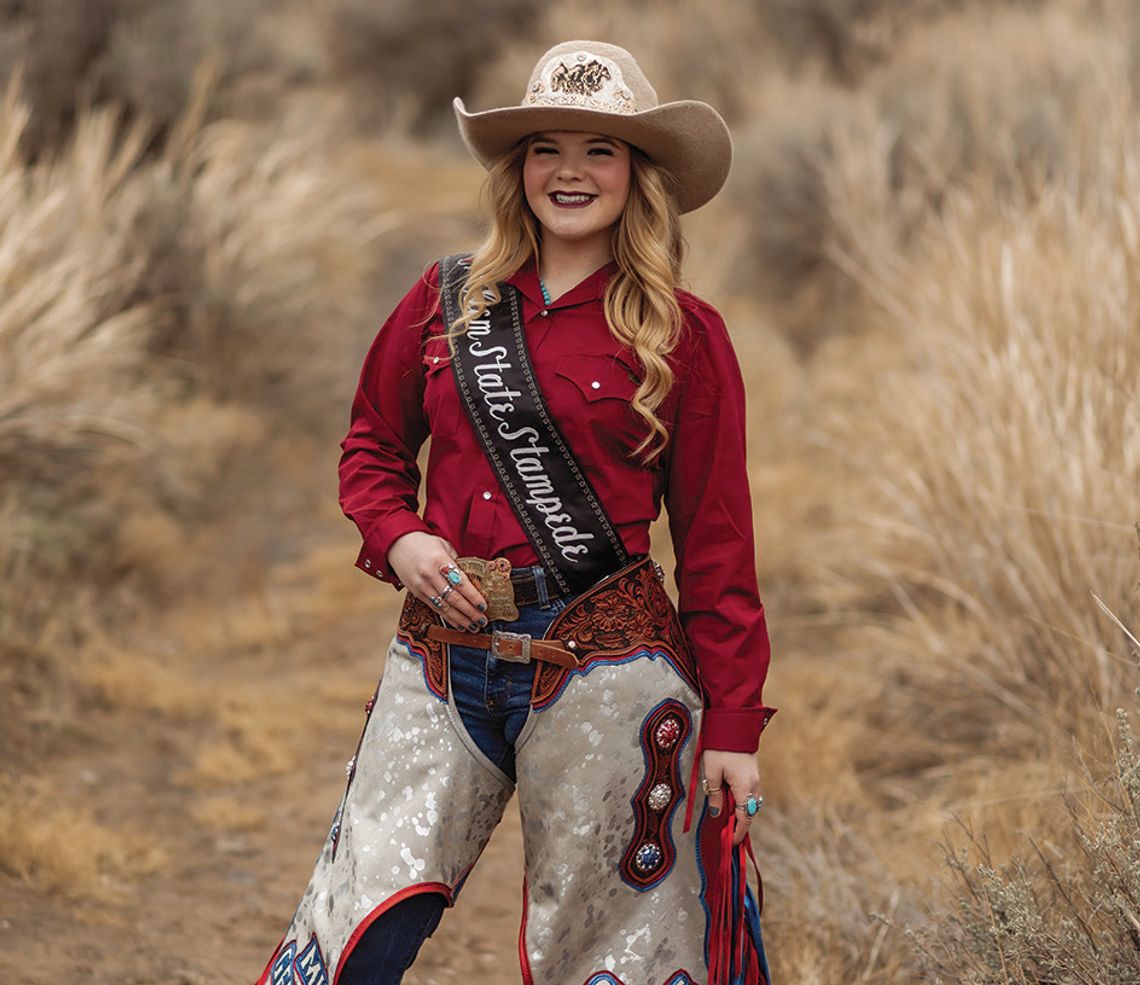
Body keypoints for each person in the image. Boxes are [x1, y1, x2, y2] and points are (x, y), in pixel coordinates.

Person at [255, 39, 777, 985]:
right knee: (356, 925)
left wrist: (733, 727)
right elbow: (370, 444)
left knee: (606, 956)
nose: (570, 171)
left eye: (600, 150)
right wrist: (401, 536)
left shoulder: (685, 335)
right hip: (440, 656)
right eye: (547, 148)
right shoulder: (445, 298)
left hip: (609, 676)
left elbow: (716, 543)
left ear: (638, 175)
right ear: (518, 168)